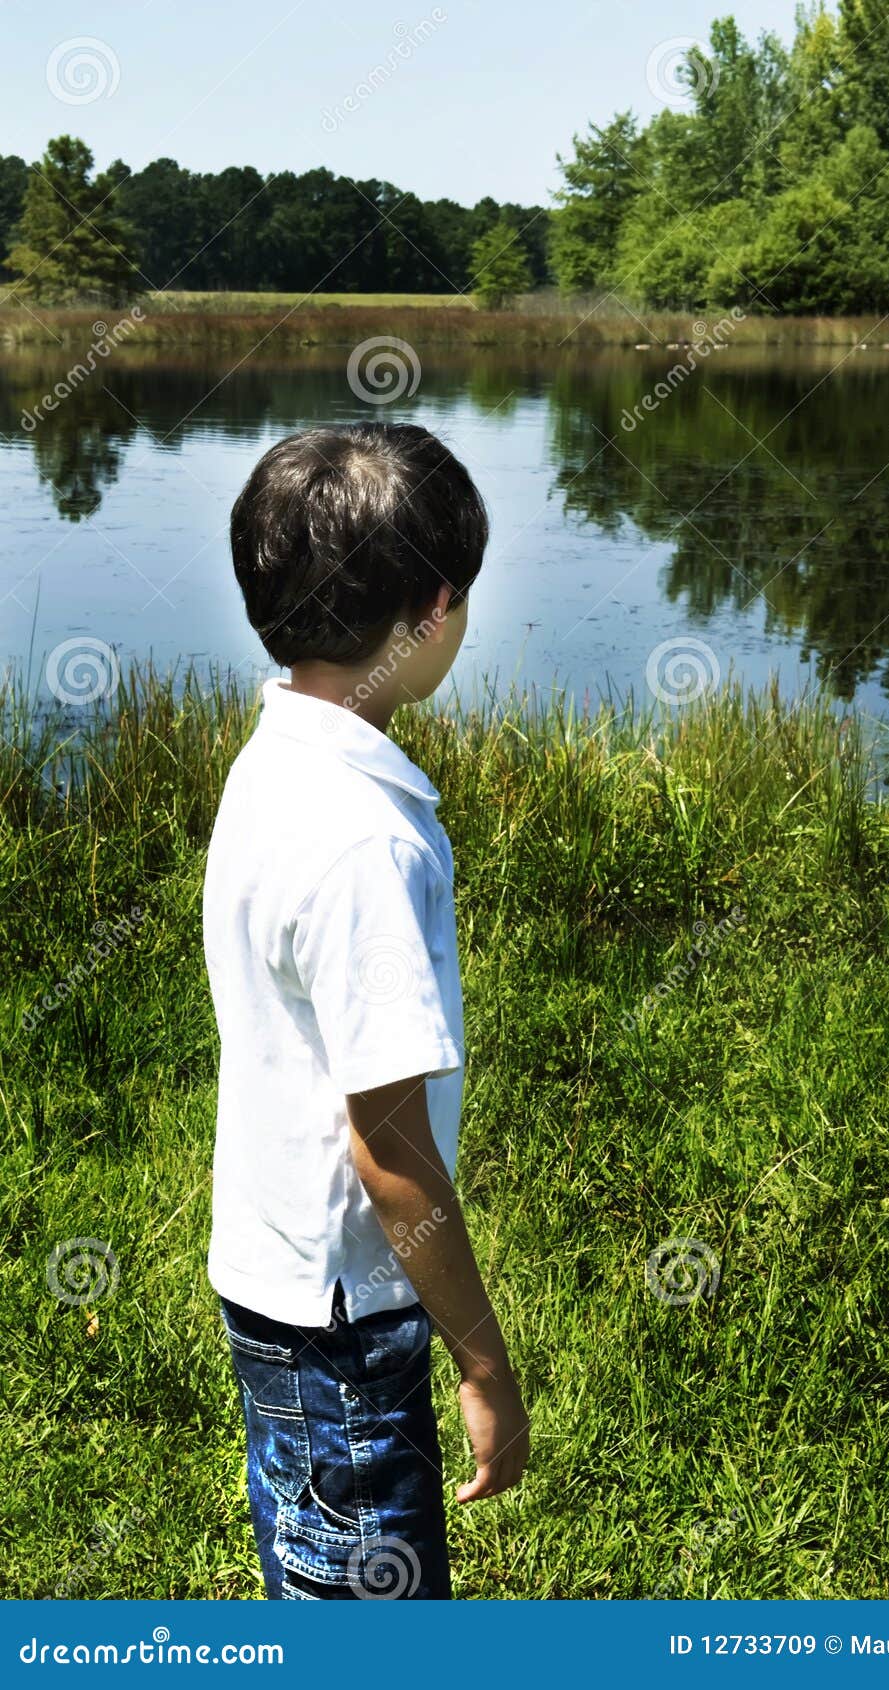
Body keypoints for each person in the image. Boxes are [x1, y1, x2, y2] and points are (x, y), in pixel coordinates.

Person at [203, 423, 529, 1600]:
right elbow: (389, 1152)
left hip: (276, 1275)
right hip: (342, 1313)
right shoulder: (366, 841)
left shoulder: (274, 762)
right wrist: (483, 1362)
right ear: (432, 612)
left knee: (318, 1577)